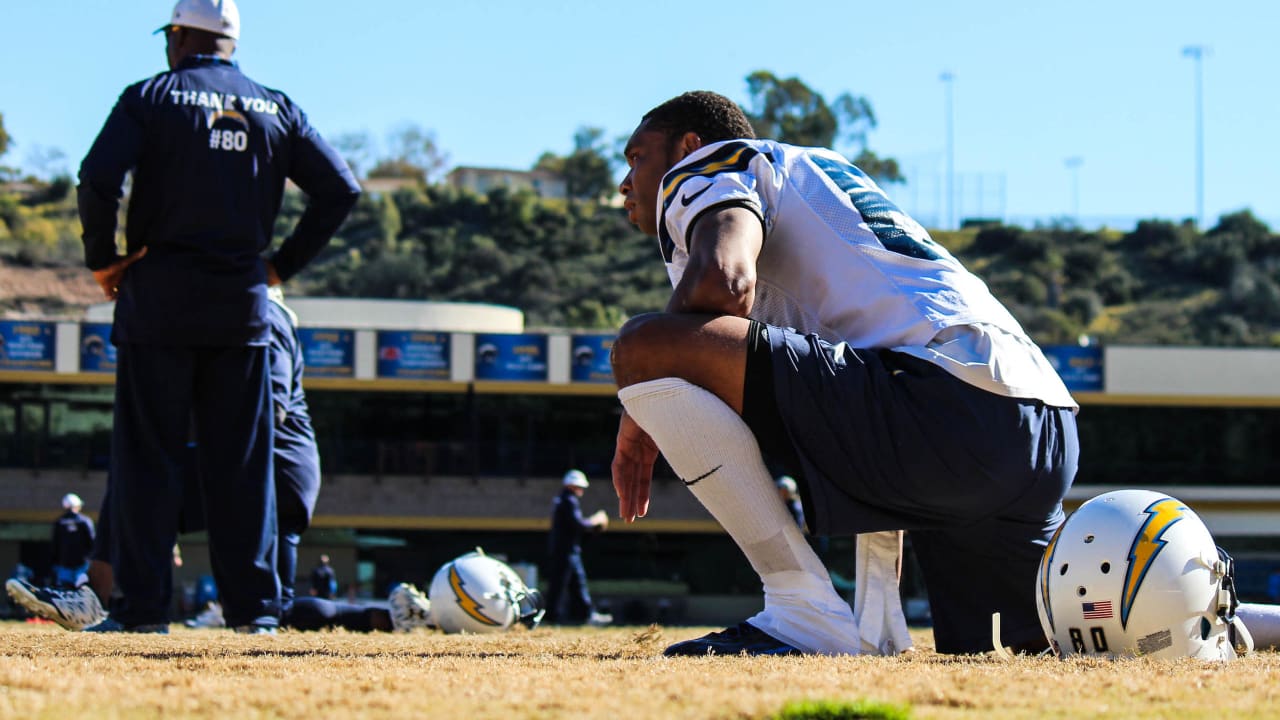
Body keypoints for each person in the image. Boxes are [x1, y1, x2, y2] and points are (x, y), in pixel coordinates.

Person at [609, 91, 1079, 656]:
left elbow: (725, 283)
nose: (625, 182)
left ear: (689, 145)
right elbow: (861, 368)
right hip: (1043, 425)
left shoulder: (714, 163)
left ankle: (801, 608)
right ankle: (876, 624)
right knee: (1016, 647)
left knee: (640, 346)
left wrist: (647, 384)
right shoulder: (817, 169)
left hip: (946, 411)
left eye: (637, 157)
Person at [76, 0, 360, 633]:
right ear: (230, 45)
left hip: (158, 303)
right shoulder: (276, 107)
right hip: (241, 310)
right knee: (243, 465)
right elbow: (340, 188)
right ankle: (255, 613)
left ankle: (142, 612)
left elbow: (97, 178)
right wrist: (279, 266)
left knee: (148, 460)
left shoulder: (149, 96)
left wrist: (104, 260)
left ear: (178, 37)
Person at [544, 470, 611, 626]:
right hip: (566, 551)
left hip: (565, 550)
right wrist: (595, 521)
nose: (581, 490)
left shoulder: (562, 499)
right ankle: (554, 617)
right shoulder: (569, 500)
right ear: (573, 486)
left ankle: (584, 615)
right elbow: (578, 524)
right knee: (563, 584)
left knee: (574, 584)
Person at [51, 493, 96, 589]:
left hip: (64, 564)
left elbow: (55, 545)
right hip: (82, 564)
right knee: (83, 589)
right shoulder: (84, 521)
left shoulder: (59, 522)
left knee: (64, 590)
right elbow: (92, 542)